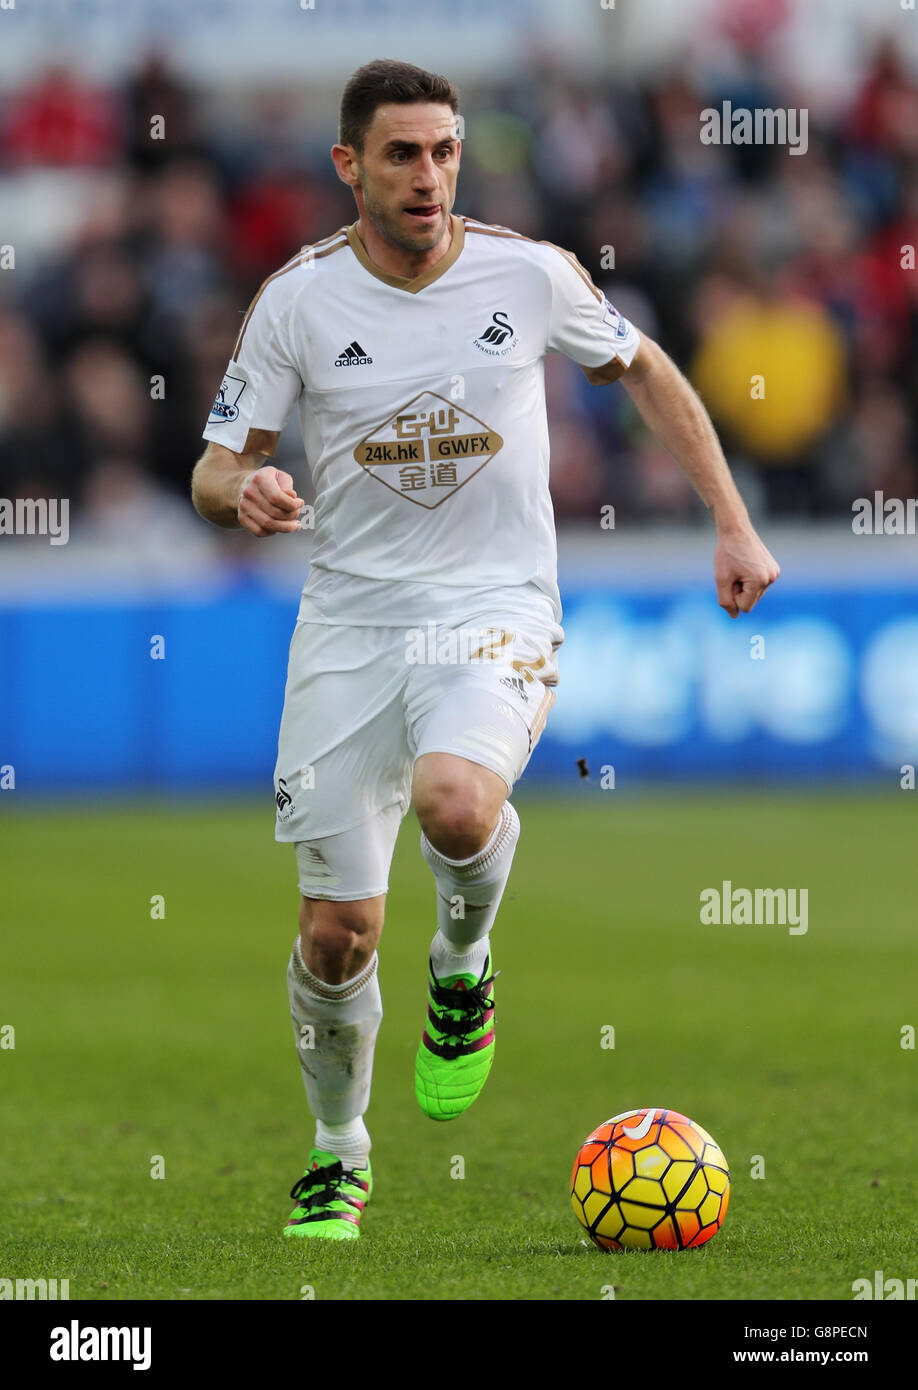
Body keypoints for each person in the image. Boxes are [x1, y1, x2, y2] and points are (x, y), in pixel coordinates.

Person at [190, 59, 779, 1240]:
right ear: (349, 164)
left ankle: (463, 960)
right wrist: (239, 488)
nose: (430, 175)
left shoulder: (529, 273)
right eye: (402, 154)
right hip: (350, 627)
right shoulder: (296, 301)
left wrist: (730, 514)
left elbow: (647, 368)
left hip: (494, 607)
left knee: (457, 803)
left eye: (446, 150)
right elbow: (212, 463)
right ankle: (338, 1152)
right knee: (334, 933)